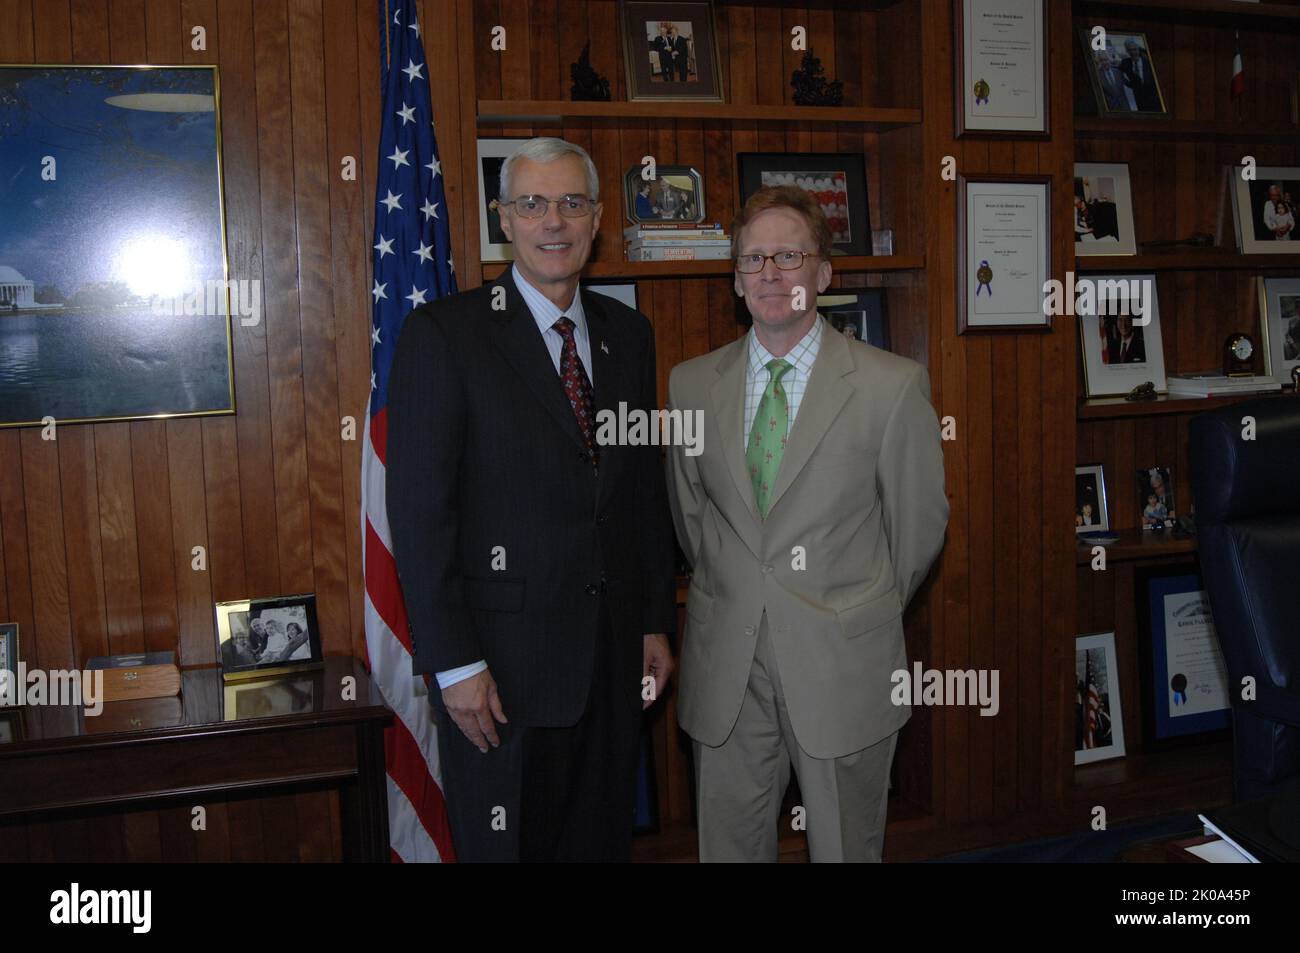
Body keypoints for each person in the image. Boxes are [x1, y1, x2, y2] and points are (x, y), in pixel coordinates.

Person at [386, 137, 677, 862]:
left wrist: (652, 621)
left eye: (572, 203)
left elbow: (640, 494)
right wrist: (453, 664)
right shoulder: (444, 335)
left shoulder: (628, 336)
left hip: (611, 667)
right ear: (504, 220)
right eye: (533, 204)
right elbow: (422, 516)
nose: (555, 220)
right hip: (499, 680)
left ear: (598, 218)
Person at [665, 185, 949, 862]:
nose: (769, 273)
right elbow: (691, 520)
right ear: (735, 279)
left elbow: (917, 531)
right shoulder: (689, 386)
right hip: (725, 669)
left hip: (842, 667)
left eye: (788, 255)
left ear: (822, 273)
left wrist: (855, 609)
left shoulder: (891, 386)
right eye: (753, 259)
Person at [1119, 37, 1161, 111]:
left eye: (1134, 49)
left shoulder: (1148, 61)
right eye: (1130, 50)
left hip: (1154, 97)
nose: (1133, 52)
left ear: (1138, 49)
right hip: (1140, 99)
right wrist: (1128, 83)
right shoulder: (1125, 63)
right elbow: (1117, 73)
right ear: (1127, 51)